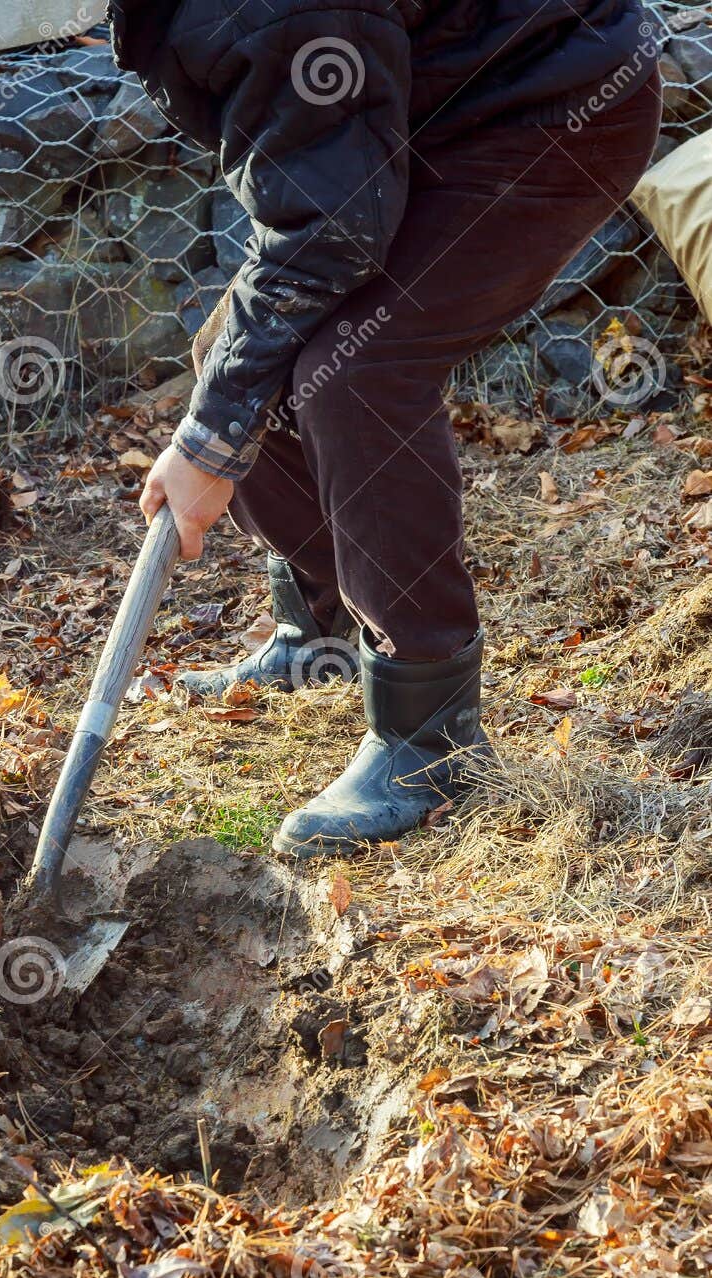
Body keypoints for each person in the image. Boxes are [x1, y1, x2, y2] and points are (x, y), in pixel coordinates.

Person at [110, 0, 662, 857]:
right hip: (441, 102)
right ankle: (319, 627)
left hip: (553, 106)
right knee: (235, 349)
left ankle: (427, 737)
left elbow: (326, 228)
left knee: (357, 375)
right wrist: (216, 422)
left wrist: (207, 445)